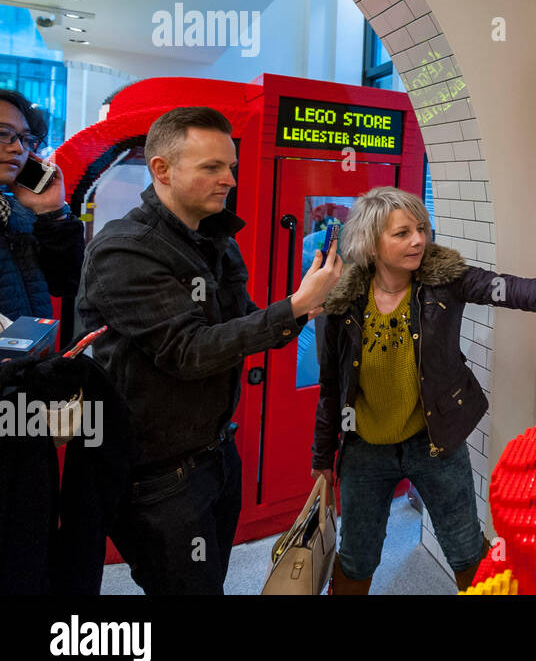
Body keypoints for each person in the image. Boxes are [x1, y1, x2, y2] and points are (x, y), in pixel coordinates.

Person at [76, 106, 342, 594]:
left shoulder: (214, 237)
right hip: (157, 477)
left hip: (216, 454)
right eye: (212, 167)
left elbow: (243, 321)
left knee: (208, 582)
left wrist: (310, 306)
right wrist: (297, 304)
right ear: (162, 169)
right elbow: (189, 352)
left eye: (231, 166)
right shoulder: (124, 249)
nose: (228, 180)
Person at [311, 186, 536, 593]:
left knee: (465, 550)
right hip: (365, 451)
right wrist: (322, 457)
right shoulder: (343, 302)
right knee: (356, 557)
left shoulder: (445, 281)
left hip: (435, 444)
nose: (419, 239)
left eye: (421, 228)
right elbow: (331, 387)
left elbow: (511, 289)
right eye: (402, 233)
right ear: (370, 242)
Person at [0, 89, 83, 323]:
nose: (18, 149)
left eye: (26, 140)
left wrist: (52, 211)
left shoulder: (20, 213)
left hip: (34, 354)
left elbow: (66, 283)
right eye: (3, 134)